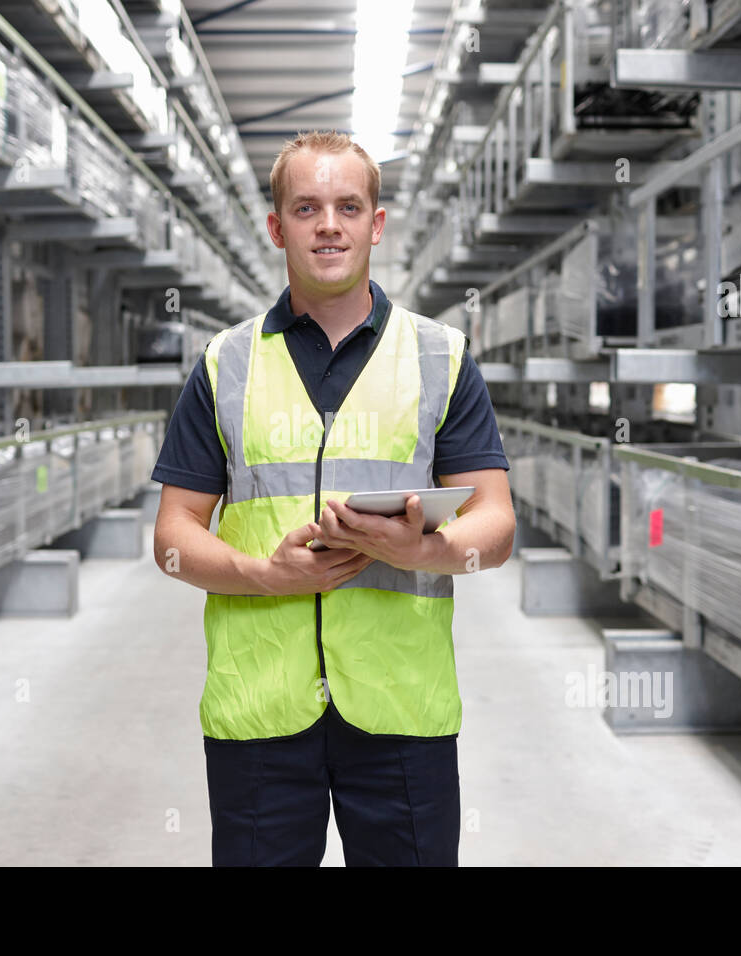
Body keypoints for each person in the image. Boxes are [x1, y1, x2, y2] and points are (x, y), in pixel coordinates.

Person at [151, 130, 514, 866]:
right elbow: (171, 537)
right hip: (261, 709)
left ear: (376, 225)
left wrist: (428, 549)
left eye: (349, 206)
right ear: (277, 227)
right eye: (306, 207)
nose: (329, 225)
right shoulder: (225, 364)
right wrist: (263, 575)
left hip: (400, 708)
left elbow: (499, 525)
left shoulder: (441, 358)